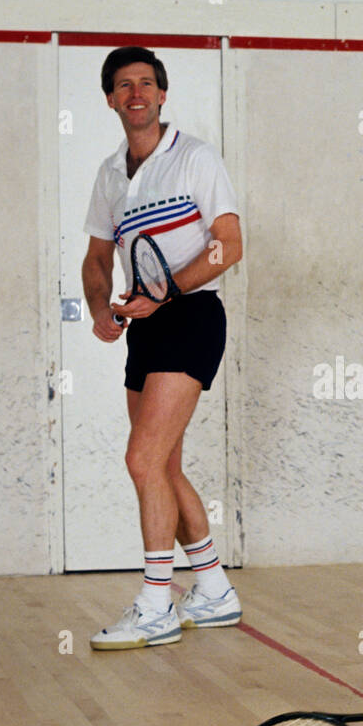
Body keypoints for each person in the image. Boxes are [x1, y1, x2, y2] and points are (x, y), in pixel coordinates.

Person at [82, 46, 243, 649]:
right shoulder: (108, 175)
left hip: (193, 316)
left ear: (162, 93)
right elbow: (98, 256)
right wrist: (102, 306)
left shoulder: (196, 158)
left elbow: (229, 244)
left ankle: (156, 603)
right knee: (163, 465)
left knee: (143, 461)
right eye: (123, 86)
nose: (136, 94)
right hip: (145, 327)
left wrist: (167, 288)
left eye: (146, 83)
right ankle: (214, 588)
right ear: (111, 100)